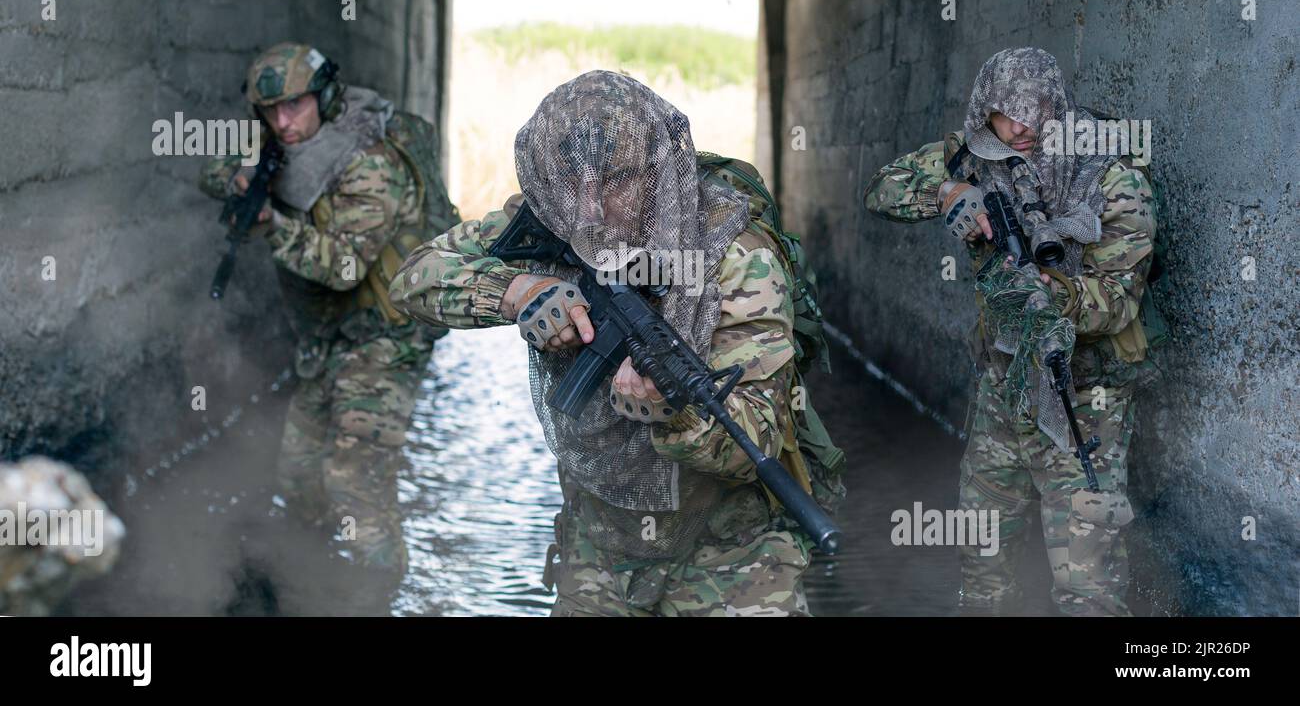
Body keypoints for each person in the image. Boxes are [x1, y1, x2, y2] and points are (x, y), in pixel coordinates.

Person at [390, 71, 844, 616]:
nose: (590, 208)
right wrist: (517, 292)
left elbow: (757, 442)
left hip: (731, 552)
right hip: (600, 546)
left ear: (656, 171)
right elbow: (414, 276)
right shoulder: (548, 218)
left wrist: (671, 412)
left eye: (616, 181)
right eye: (570, 181)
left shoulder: (736, 256)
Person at [863, 47, 1159, 616]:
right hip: (1003, 389)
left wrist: (1054, 295)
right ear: (985, 111)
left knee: (1088, 584)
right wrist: (948, 194)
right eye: (1006, 114)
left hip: (1083, 401)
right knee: (983, 562)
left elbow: (1119, 303)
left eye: (1035, 113)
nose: (1020, 129)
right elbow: (881, 189)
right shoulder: (975, 154)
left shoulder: (1112, 180)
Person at [197, 42, 456, 588]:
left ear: (324, 95)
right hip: (331, 338)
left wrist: (271, 223)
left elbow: (342, 266)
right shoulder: (280, 143)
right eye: (270, 111)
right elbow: (213, 167)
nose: (283, 121)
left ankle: (375, 594)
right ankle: (304, 587)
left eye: (295, 105)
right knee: (298, 478)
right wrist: (240, 180)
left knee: (356, 483)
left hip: (389, 338)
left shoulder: (369, 161)